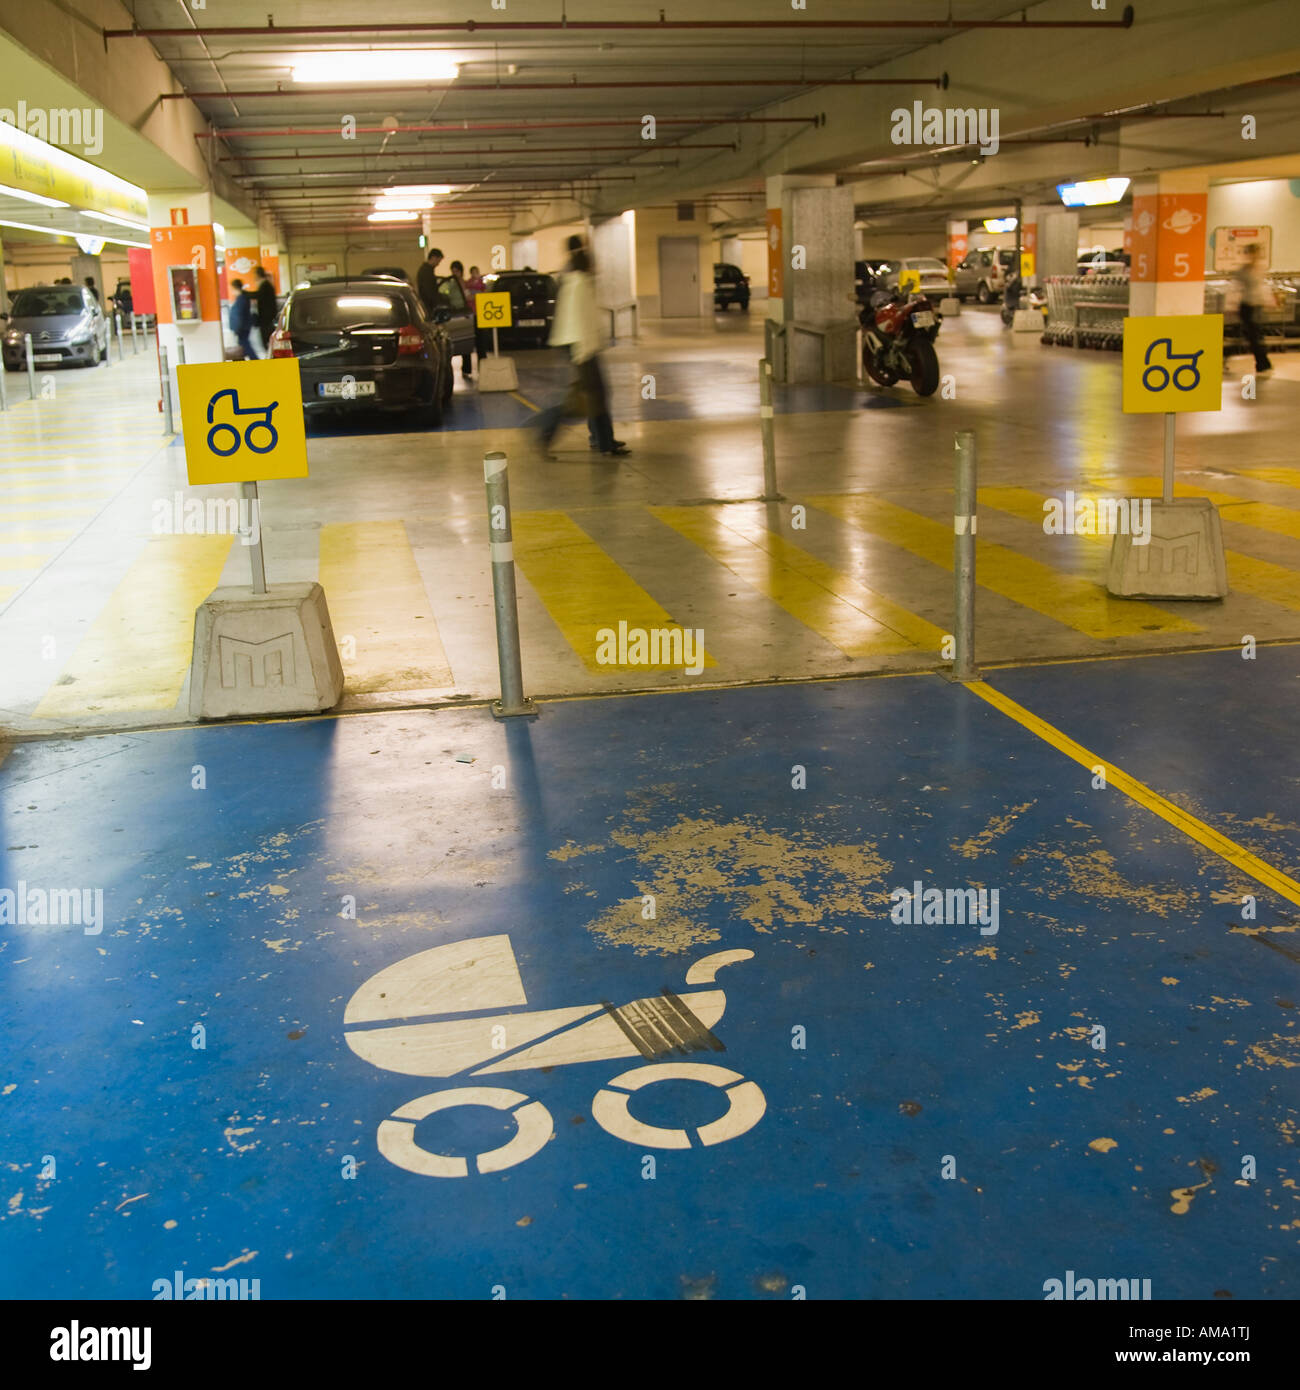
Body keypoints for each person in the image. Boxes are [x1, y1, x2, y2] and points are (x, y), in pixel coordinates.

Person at [533, 235, 629, 459]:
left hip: (585, 347)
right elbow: (578, 322)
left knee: (597, 395)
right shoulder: (578, 283)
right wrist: (584, 352)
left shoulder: (578, 281)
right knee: (582, 400)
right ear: (587, 264)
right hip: (581, 348)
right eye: (594, 265)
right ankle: (544, 432)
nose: (597, 268)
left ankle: (604, 441)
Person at [1234, 243, 1273, 375]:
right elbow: (1236, 288)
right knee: (1254, 336)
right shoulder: (1243, 271)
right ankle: (1263, 364)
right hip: (1247, 306)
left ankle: (1263, 363)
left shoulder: (1259, 269)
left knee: (1255, 335)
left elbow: (1262, 287)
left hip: (1257, 305)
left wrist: (1269, 301)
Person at [447, 260, 475, 380]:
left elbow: (468, 296)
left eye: (456, 271)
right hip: (453, 314)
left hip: (463, 313)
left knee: (465, 341)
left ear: (461, 271)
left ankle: (467, 369)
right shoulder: (450, 284)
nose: (454, 273)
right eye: (453, 271)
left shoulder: (464, 283)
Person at [228, 278, 257, 359]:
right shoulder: (242, 298)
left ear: (235, 288)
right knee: (243, 346)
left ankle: (255, 361)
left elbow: (239, 315)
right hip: (243, 326)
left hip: (242, 327)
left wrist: (237, 328)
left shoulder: (241, 299)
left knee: (245, 345)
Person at [253, 265, 278, 355]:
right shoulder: (266, 285)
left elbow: (258, 295)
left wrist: (243, 293)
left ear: (258, 275)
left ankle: (270, 355)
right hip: (268, 317)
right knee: (267, 338)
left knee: (266, 338)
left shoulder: (265, 285)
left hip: (266, 317)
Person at [467, 264, 489, 363]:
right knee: (476, 336)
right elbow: (468, 297)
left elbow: (485, 293)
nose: (476, 274)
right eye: (474, 272)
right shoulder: (468, 283)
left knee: (481, 337)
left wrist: (476, 296)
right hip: (473, 312)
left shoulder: (481, 283)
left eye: (477, 272)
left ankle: (482, 358)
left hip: (481, 312)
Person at [416, 246, 444, 320]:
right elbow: (429, 292)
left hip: (427, 306)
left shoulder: (426, 270)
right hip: (428, 307)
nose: (438, 264)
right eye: (438, 261)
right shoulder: (427, 272)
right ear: (433, 258)